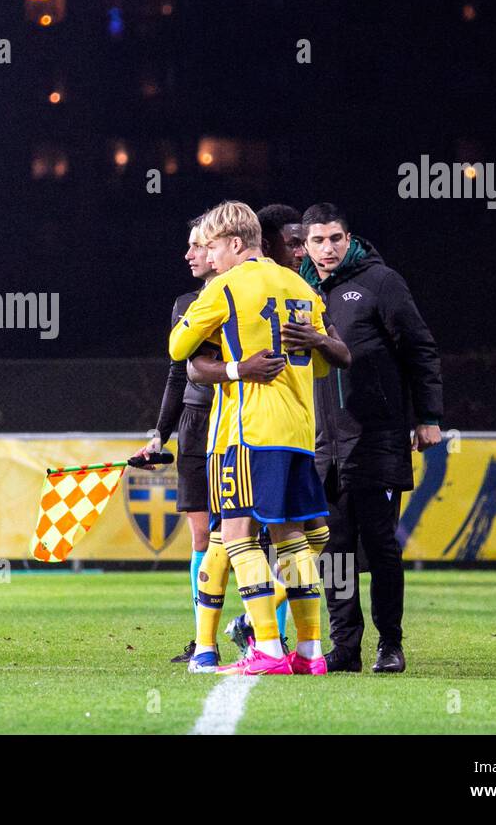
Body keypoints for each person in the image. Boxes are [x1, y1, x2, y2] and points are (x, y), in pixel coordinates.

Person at [169, 201, 349, 675]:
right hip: (299, 432)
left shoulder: (226, 286)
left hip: (248, 432)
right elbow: (329, 362)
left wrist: (232, 363)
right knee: (292, 540)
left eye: (211, 246)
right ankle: (310, 652)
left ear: (233, 243)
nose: (208, 256)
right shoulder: (301, 286)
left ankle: (266, 647)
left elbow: (178, 347)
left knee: (235, 537)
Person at [298, 203, 443, 673]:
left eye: (335, 238)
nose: (327, 249)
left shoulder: (380, 282)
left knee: (380, 543)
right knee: (334, 548)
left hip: (376, 437)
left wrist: (428, 416)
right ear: (306, 243)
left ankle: (390, 643)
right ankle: (345, 648)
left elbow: (419, 348)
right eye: (317, 240)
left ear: (348, 237)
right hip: (322, 444)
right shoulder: (299, 290)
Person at [133, 216, 285, 663]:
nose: (191, 254)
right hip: (200, 424)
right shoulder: (187, 302)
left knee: (261, 533)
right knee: (205, 536)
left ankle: (265, 632)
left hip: (250, 419)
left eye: (198, 245)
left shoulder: (257, 289)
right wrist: (159, 433)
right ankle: (206, 640)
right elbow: (180, 371)